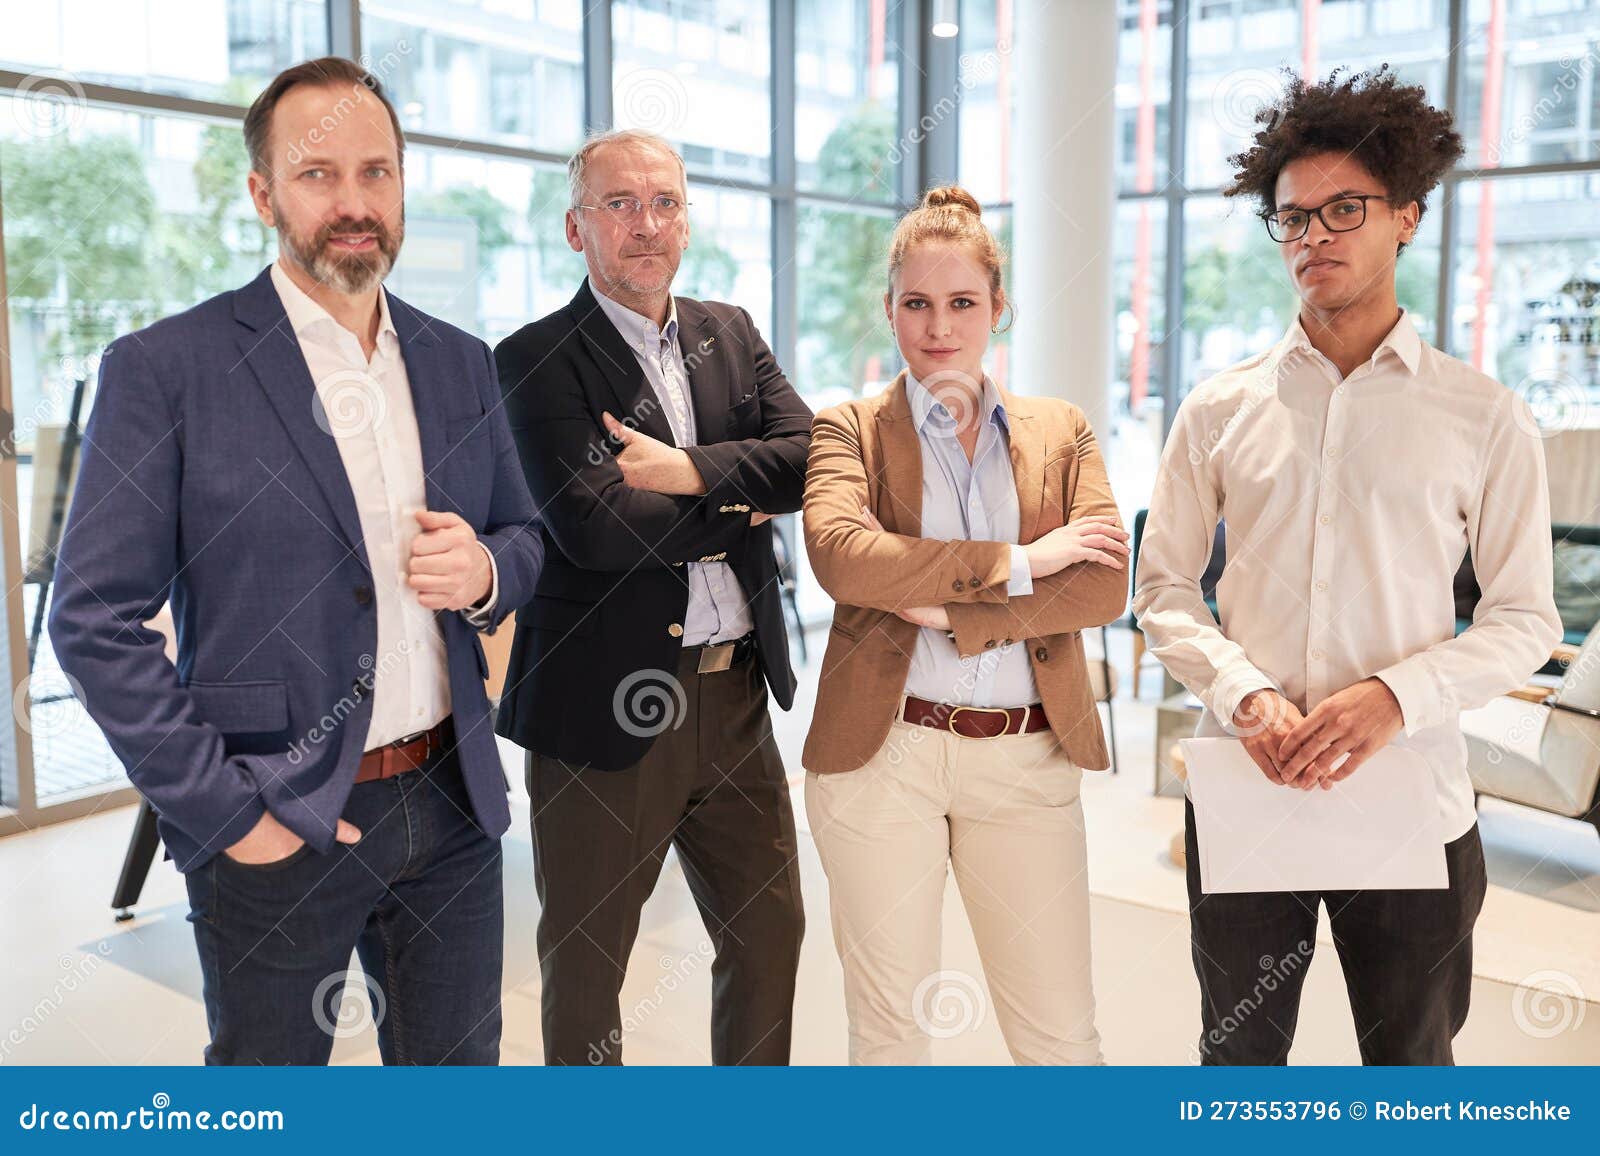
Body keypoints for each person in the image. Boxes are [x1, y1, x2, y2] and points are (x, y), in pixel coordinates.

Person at [48, 57, 544, 1065]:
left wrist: (487, 571)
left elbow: (527, 536)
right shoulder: (167, 369)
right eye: (319, 174)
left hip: (452, 805)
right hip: (274, 815)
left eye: (376, 172)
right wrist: (228, 813)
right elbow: (92, 619)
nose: (353, 202)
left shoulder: (460, 360)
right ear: (263, 193)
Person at [1133, 67, 1562, 1065]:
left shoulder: (1483, 416)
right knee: (1238, 1068)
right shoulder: (1219, 409)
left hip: (1411, 794)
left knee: (1410, 1070)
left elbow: (1524, 618)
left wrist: (1392, 697)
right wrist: (1242, 694)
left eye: (1343, 210)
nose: (1312, 236)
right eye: (1291, 218)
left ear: (1407, 216)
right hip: (1247, 788)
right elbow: (1163, 592)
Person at [493, 129, 813, 1065]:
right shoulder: (534, 358)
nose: (646, 224)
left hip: (736, 697)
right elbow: (594, 529)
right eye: (620, 204)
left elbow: (810, 459)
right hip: (601, 708)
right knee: (589, 963)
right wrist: (740, 498)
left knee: (770, 934)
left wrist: (683, 471)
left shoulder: (731, 332)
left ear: (687, 219)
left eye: (665, 202)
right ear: (576, 227)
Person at [801, 185, 1130, 1065]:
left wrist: (948, 610)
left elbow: (1104, 586)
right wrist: (1025, 560)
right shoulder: (849, 430)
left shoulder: (1060, 431)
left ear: (997, 307)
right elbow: (843, 559)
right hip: (883, 758)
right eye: (916, 304)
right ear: (889, 310)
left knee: (1061, 1038)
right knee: (889, 1037)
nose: (939, 327)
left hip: (1027, 757)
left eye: (962, 303)